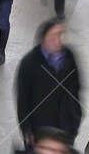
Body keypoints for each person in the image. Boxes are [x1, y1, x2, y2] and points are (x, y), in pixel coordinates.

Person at [15, 16, 82, 145]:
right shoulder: (29, 63)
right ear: (43, 37)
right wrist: (27, 130)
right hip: (40, 131)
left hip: (65, 129)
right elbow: (22, 100)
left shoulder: (69, 56)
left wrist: (75, 119)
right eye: (54, 35)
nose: (58, 40)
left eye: (61, 35)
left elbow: (77, 89)